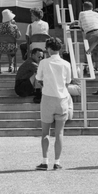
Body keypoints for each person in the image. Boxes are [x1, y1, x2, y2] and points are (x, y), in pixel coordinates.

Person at [34, 37, 71, 171]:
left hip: (48, 98)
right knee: (59, 133)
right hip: (62, 99)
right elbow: (68, 82)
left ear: (49, 49)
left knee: (45, 132)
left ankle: (44, 161)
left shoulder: (44, 62)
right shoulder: (66, 64)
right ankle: (57, 162)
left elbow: (38, 79)